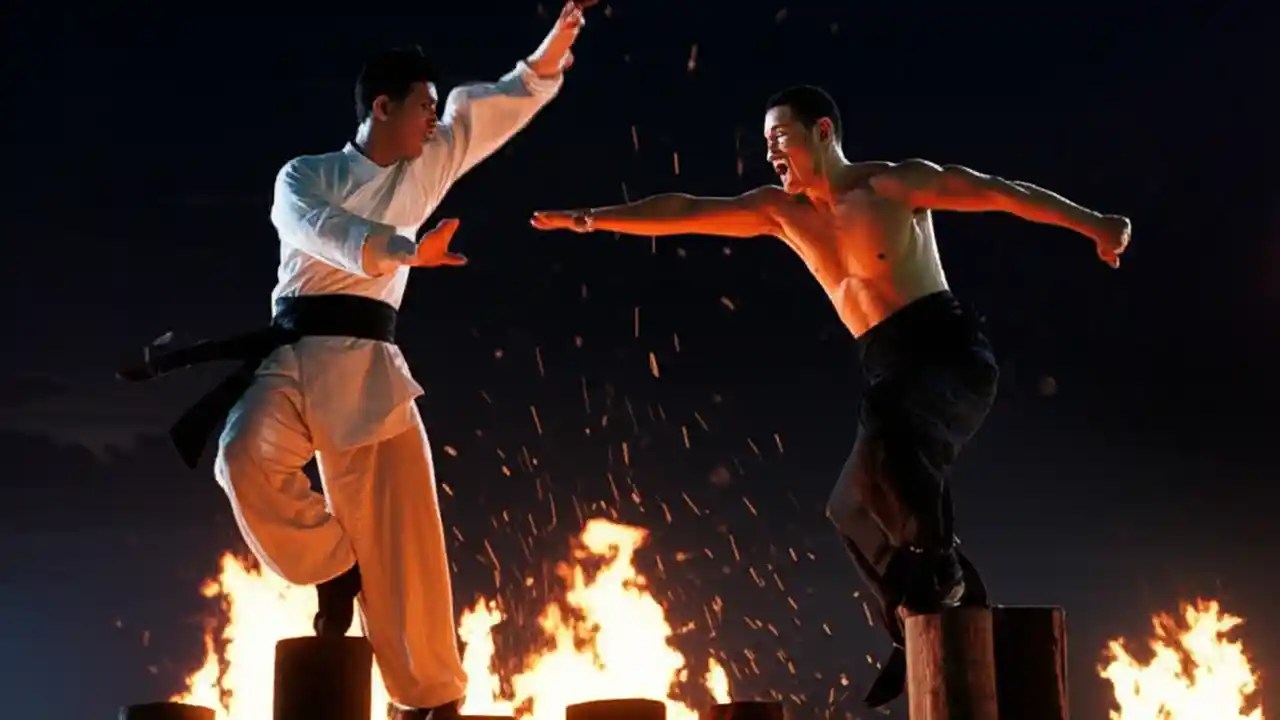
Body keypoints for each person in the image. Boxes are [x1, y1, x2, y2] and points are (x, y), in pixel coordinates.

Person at [530, 84, 1131, 707]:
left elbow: (997, 191)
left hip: (948, 356)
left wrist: (1095, 225)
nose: (772, 156)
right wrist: (592, 218)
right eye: (765, 146)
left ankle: (940, 570)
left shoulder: (892, 187)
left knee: (890, 422)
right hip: (888, 370)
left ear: (823, 132)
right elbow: (686, 208)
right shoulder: (781, 214)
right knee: (847, 508)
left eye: (781, 140)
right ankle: (916, 614)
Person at [117, 4, 589, 717]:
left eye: (435, 111)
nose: (434, 122)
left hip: (369, 367)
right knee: (242, 457)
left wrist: (549, 55)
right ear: (381, 105)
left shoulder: (429, 161)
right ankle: (333, 568)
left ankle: (430, 698)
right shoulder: (303, 175)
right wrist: (407, 250)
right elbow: (324, 232)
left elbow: (489, 109)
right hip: (290, 355)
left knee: (406, 541)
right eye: (423, 107)